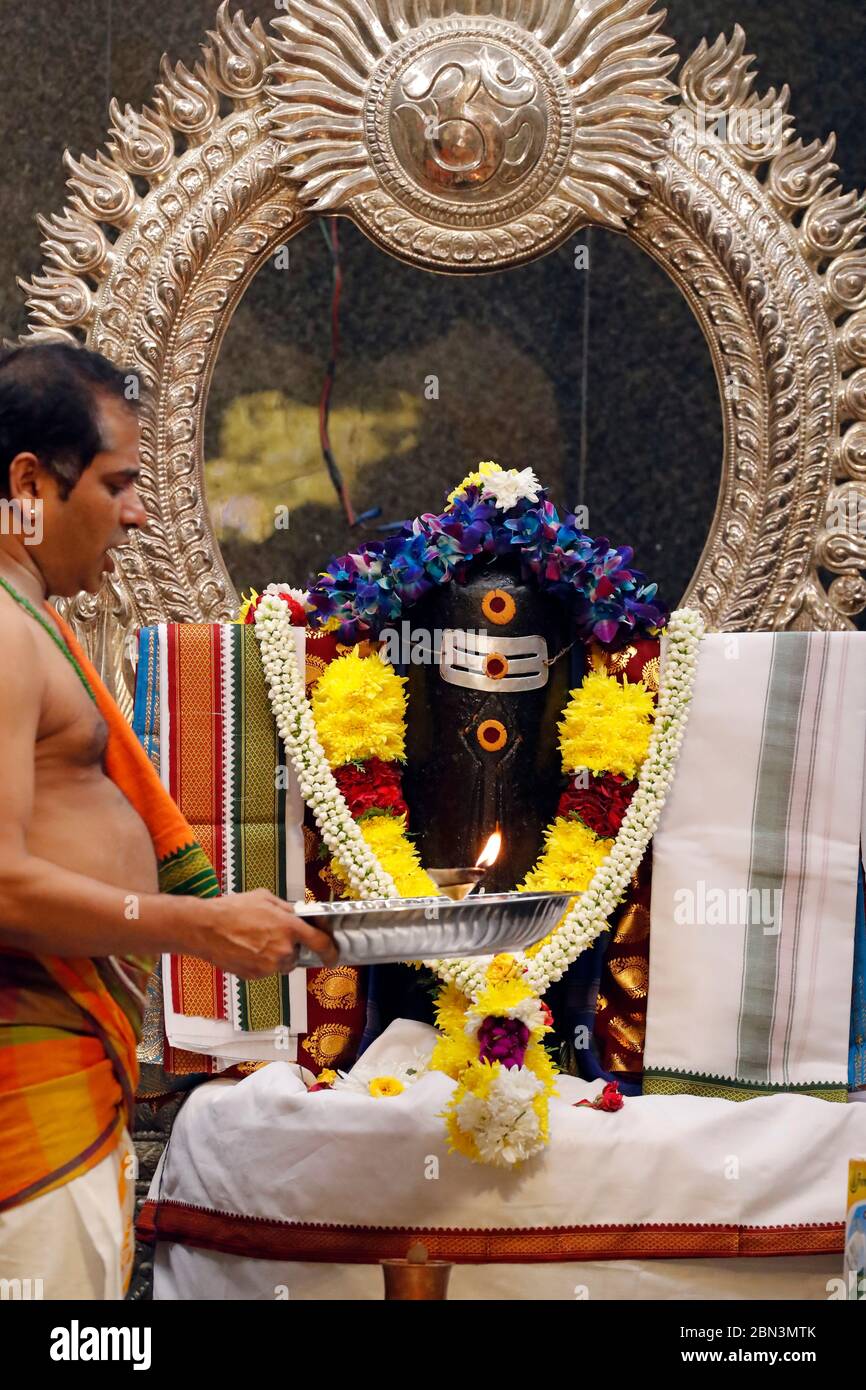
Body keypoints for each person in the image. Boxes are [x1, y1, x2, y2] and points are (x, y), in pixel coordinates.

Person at [0, 341, 337, 1298]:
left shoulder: (28, 623)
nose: (139, 512)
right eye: (118, 484)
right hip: (24, 1114)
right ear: (30, 483)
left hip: (67, 1095)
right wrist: (196, 925)